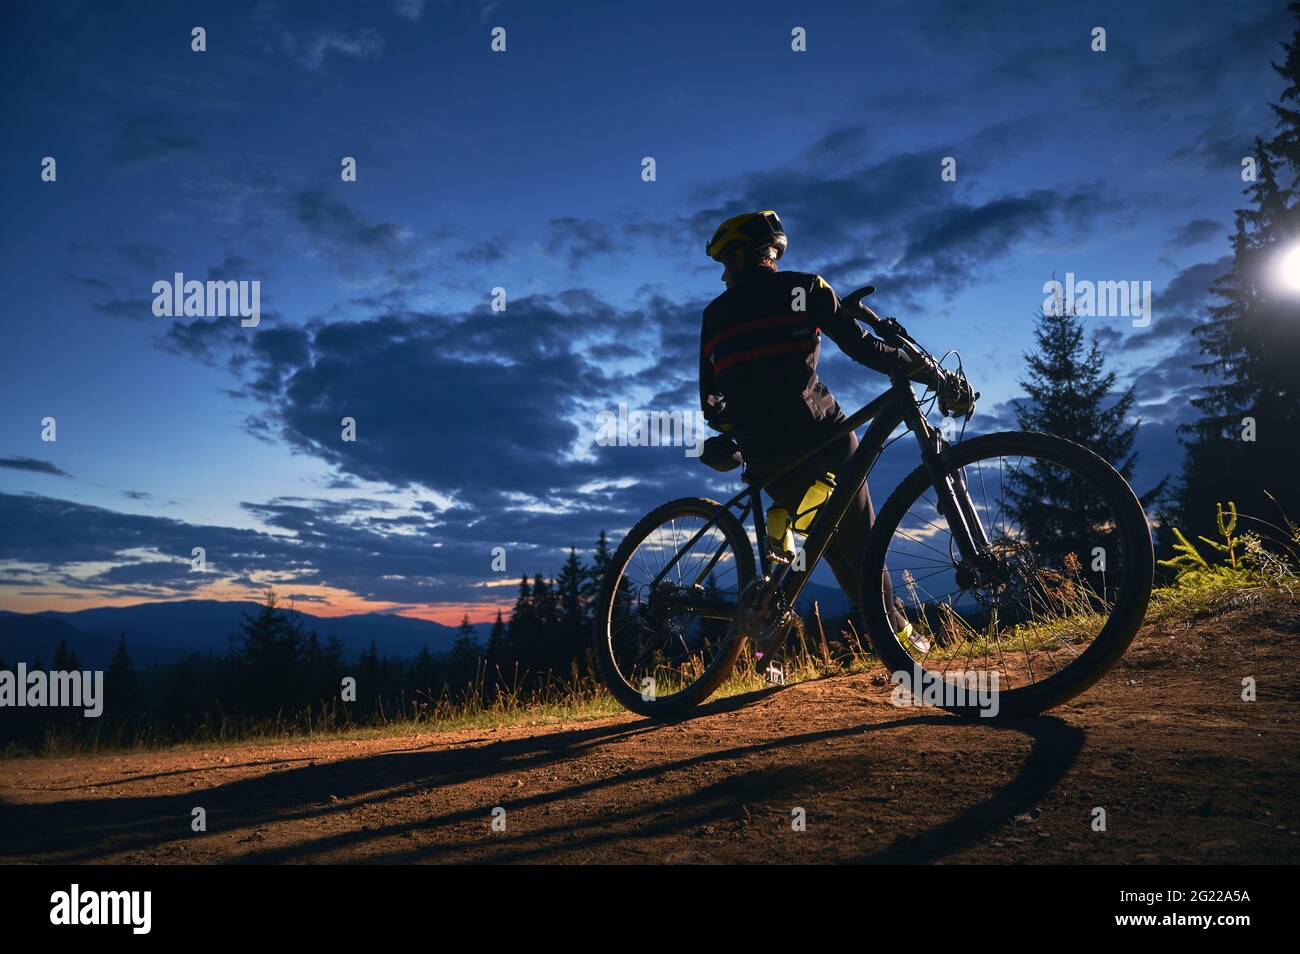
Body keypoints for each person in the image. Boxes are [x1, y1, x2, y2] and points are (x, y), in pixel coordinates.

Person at [699, 209, 942, 611]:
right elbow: (862, 348)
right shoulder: (806, 287)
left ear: (742, 257)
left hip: (766, 457)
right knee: (859, 544)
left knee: (830, 544)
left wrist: (738, 428)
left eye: (726, 263)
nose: (724, 275)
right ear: (770, 253)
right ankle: (898, 635)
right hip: (821, 435)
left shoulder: (713, 316)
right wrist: (916, 367)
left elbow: (711, 404)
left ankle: (787, 517)